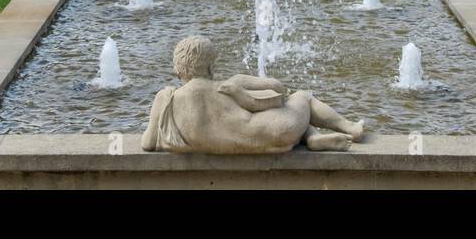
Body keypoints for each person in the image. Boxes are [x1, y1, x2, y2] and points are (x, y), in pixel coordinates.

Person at [141, 36, 365, 154]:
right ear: (210, 66)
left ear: (178, 68)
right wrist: (241, 91)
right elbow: (279, 88)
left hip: (242, 144)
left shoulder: (166, 98)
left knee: (283, 108)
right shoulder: (226, 86)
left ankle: (312, 137)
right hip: (278, 133)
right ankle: (348, 128)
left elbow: (148, 144)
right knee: (302, 97)